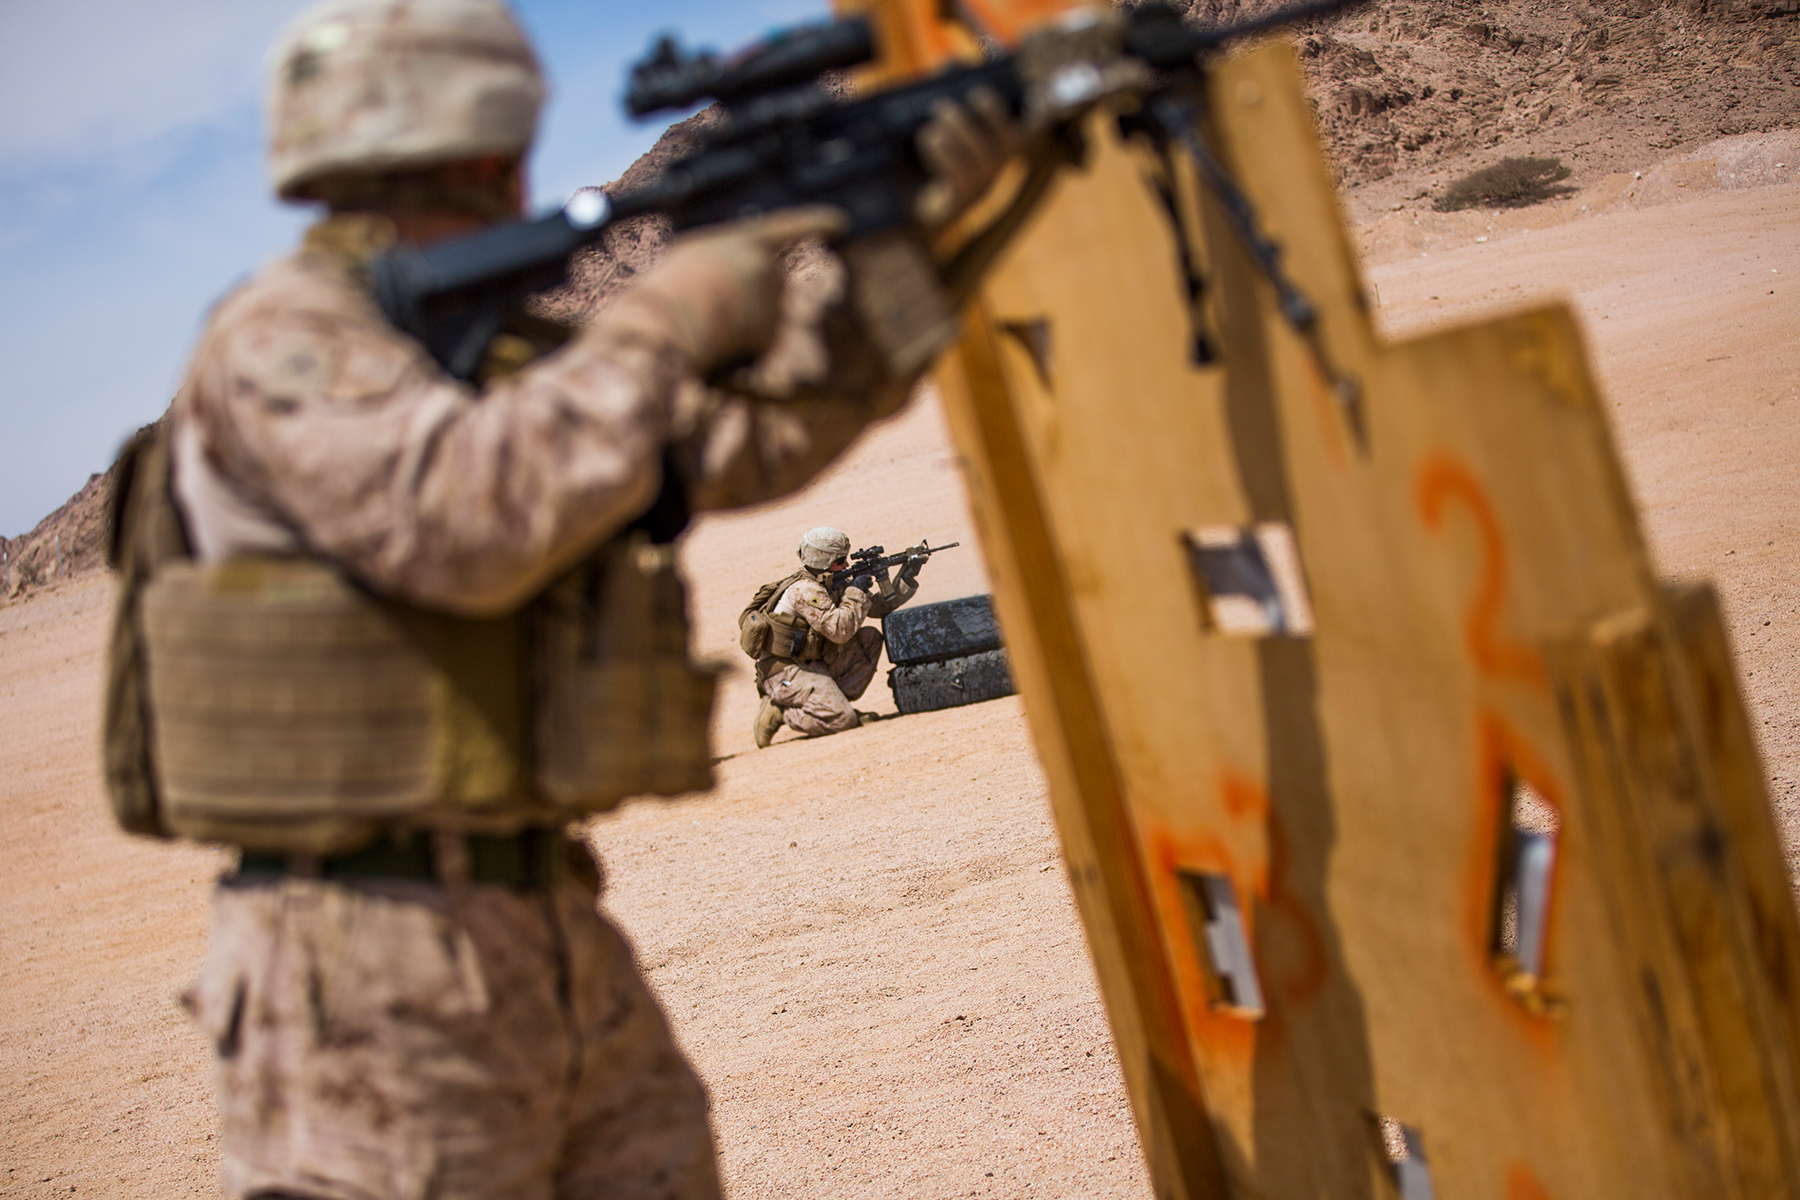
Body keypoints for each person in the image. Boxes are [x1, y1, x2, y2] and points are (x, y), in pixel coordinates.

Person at [100, 0, 1021, 1195]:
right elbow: (474, 519)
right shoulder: (287, 341)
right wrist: (680, 301)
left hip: (544, 920)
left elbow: (762, 440)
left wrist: (914, 242)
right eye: (499, 143)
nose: (515, 171)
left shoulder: (500, 368)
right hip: (365, 961)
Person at [748, 526, 923, 747]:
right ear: (823, 560)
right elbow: (840, 631)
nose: (847, 565)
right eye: (841, 561)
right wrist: (857, 590)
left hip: (813, 663)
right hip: (784, 671)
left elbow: (877, 607)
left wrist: (908, 574)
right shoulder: (804, 590)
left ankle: (832, 703)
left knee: (869, 639)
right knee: (845, 719)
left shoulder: (832, 581)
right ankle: (781, 711)